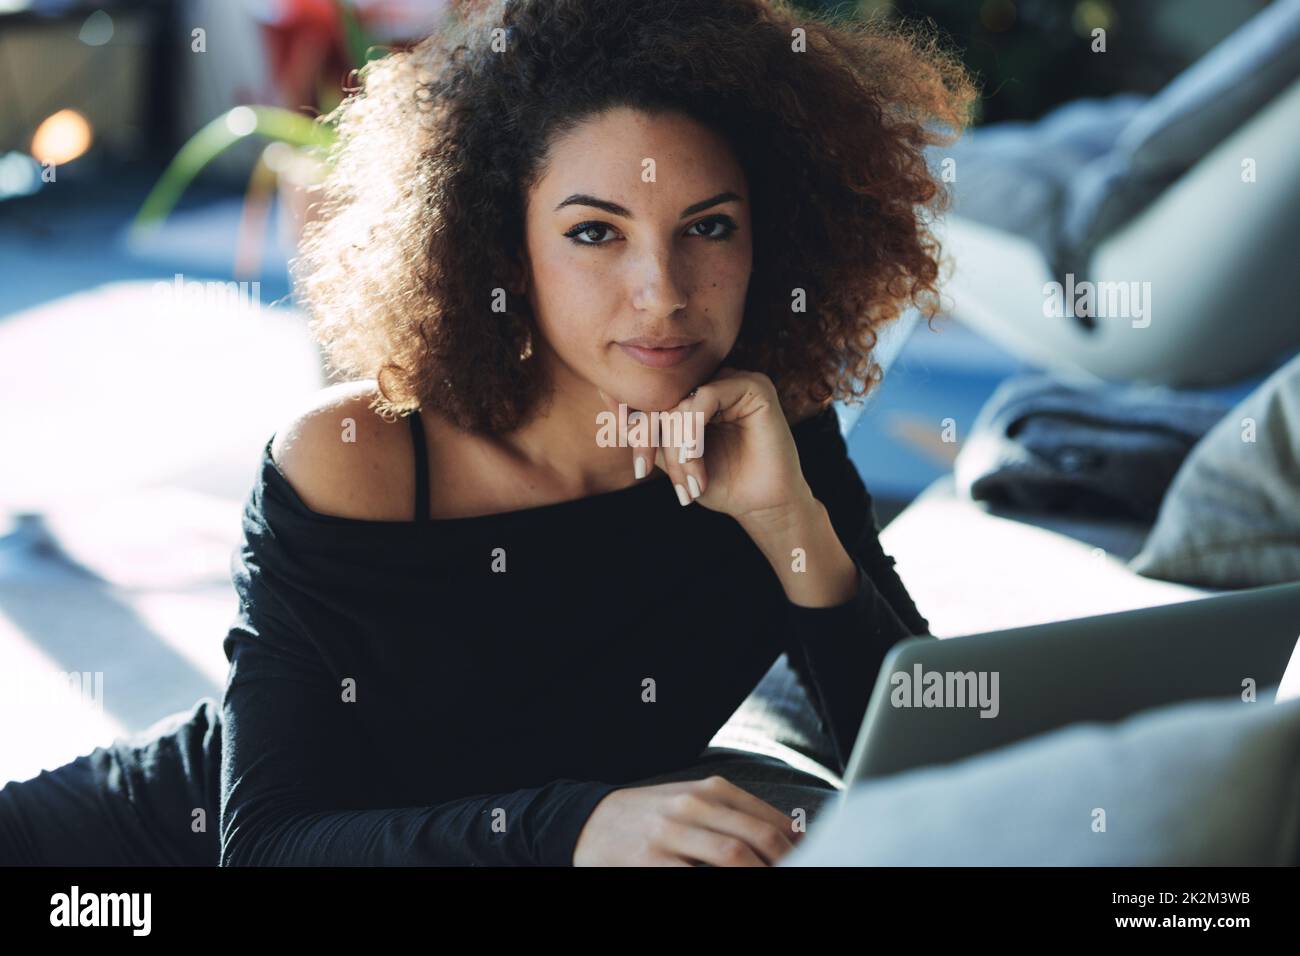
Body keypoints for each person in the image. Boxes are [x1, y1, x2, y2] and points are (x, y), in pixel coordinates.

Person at [0, 0, 971, 867]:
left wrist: (786, 519)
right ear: (505, 247)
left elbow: (925, 767)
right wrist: (575, 825)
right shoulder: (366, 457)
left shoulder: (771, 423)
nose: (663, 293)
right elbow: (265, 841)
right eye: (596, 232)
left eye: (708, 227)